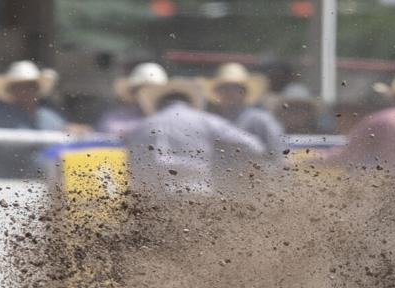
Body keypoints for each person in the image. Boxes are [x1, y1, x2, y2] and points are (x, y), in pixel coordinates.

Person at [126, 78, 268, 197]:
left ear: (158, 103)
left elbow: (134, 169)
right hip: (196, 194)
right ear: (189, 101)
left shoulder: (142, 128)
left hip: (155, 199)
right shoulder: (205, 121)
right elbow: (254, 146)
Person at [205, 62, 286, 157]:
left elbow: (277, 151)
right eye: (224, 88)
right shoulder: (209, 120)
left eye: (235, 88)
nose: (229, 92)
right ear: (217, 92)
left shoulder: (260, 119)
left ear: (244, 92)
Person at [99, 62, 169, 137]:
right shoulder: (115, 118)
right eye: (144, 89)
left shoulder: (172, 115)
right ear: (134, 92)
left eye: (154, 89)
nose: (149, 94)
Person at [0, 61, 67, 131]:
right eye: (20, 87)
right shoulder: (0, 114)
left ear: (37, 88)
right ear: (11, 90)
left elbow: (64, 130)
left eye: (30, 86)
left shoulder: (49, 115)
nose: (25, 91)